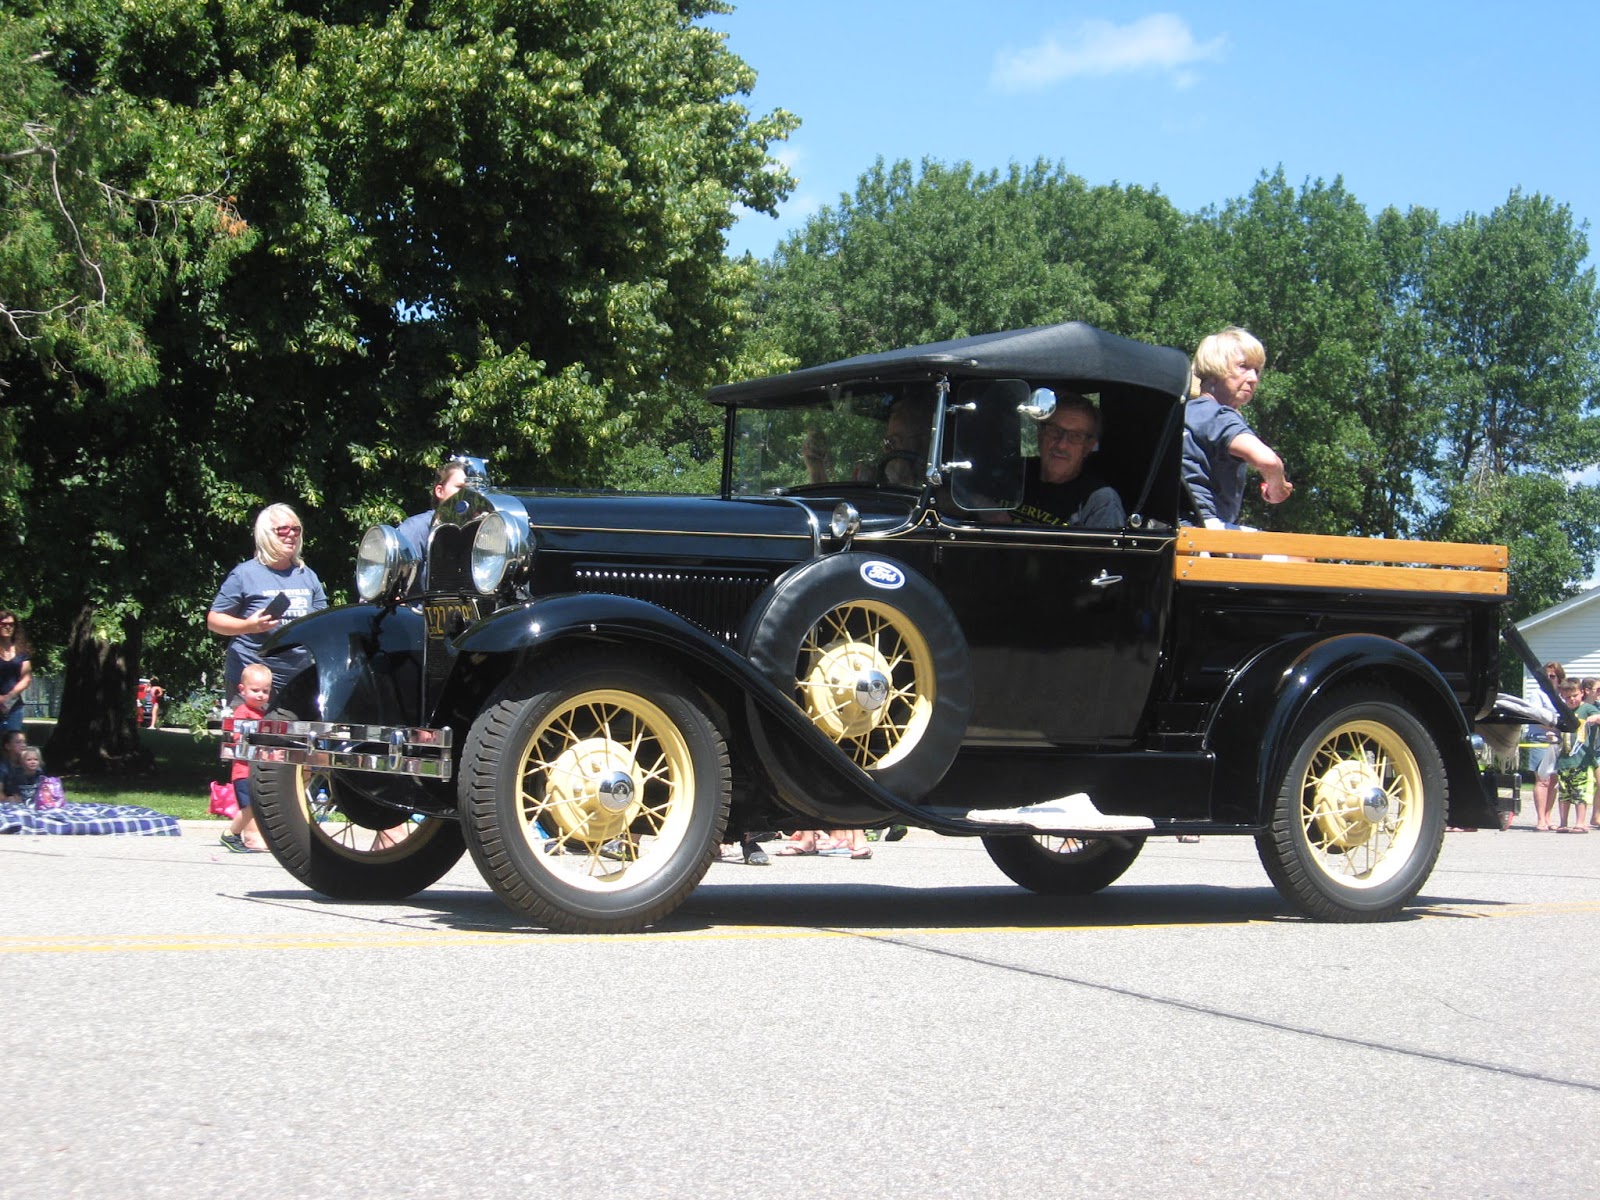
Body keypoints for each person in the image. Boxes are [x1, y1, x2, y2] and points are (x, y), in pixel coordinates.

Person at [207, 503, 328, 695]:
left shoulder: (308, 575)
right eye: (283, 530)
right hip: (252, 682)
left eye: (296, 529)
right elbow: (214, 621)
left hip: (296, 679)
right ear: (266, 534)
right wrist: (249, 626)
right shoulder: (244, 574)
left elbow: (323, 620)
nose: (291, 535)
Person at [1182, 327, 1293, 528]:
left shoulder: (1182, 413)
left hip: (1172, 529)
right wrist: (1277, 488)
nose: (1253, 378)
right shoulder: (1218, 416)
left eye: (1257, 371)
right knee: (1303, 558)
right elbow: (1268, 461)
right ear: (1214, 368)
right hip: (1204, 530)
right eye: (1243, 367)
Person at [1012, 393, 1125, 529]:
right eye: (1055, 431)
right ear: (1040, 433)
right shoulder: (1015, 472)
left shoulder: (1100, 501)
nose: (1061, 445)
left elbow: (1103, 550)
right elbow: (980, 489)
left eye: (1076, 436)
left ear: (1088, 447)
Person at [221, 663, 274, 853]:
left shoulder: (263, 714)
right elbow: (239, 738)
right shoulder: (242, 713)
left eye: (265, 691)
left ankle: (235, 835)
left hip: (255, 771)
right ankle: (230, 834)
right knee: (249, 807)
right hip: (243, 771)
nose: (261, 694)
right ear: (242, 690)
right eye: (255, 690)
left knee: (254, 807)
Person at [397, 460, 469, 566]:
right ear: (440, 491)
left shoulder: (482, 532)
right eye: (460, 487)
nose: (468, 494)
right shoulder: (415, 529)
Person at [1554, 678, 1599, 833]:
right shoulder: (1564, 712)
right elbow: (1558, 730)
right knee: (1564, 793)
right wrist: (1551, 734)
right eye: (1567, 697)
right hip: (1565, 760)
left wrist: (1595, 718)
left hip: (1582, 760)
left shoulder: (1587, 708)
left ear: (1581, 693)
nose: (1572, 699)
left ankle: (1580, 823)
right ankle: (1563, 822)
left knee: (1580, 793)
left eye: (1574, 695)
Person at [1531, 661, 1566, 830]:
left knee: (1554, 781)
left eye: (1552, 676)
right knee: (1542, 779)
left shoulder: (1561, 697)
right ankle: (1540, 819)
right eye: (1546, 676)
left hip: (1559, 741)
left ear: (1559, 678)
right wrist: (1558, 727)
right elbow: (1537, 718)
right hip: (1540, 739)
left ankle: (1548, 816)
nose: (1549, 679)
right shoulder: (1537, 694)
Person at [0, 611, 32, 732]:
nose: (8, 627)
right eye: (4, 624)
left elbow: (26, 678)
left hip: (13, 707)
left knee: (13, 745)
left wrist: (8, 697)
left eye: (11, 624)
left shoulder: (22, 651)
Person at [0, 728, 26, 799]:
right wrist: (8, 800)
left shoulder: (30, 764)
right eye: (18, 742)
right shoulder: (2, 767)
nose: (23, 745)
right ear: (8, 746)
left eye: (24, 742)